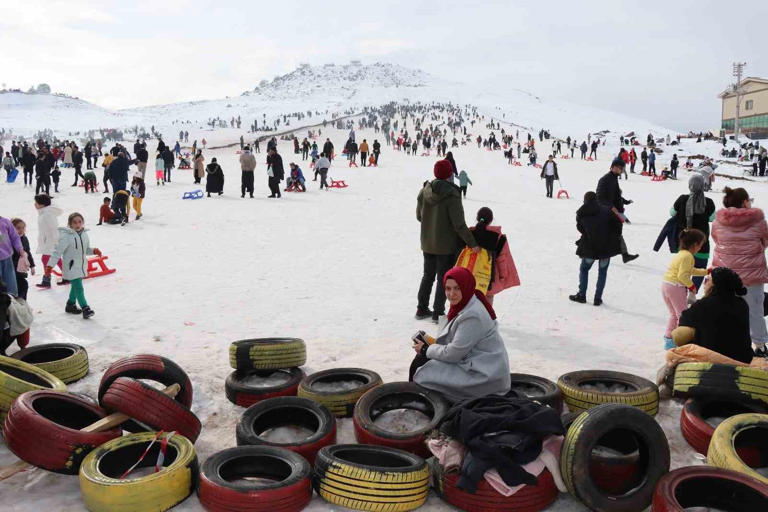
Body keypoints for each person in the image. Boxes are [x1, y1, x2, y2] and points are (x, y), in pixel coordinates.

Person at [409, 267, 511, 401]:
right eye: (448, 288)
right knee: (424, 362)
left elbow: (453, 354)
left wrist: (426, 349)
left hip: (484, 376)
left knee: (423, 373)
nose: (452, 294)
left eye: (457, 288)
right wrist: (429, 347)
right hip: (479, 364)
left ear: (466, 286)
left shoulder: (472, 316)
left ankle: (425, 404)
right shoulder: (467, 303)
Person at [416, 160, 478, 323]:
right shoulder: (452, 194)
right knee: (443, 277)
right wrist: (473, 243)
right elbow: (458, 224)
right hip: (446, 245)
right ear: (450, 174)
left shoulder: (425, 191)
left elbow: (419, 216)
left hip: (427, 242)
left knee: (427, 275)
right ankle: (438, 312)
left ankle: (421, 309)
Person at [711, 187, 768, 357]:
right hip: (751, 276)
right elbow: (764, 241)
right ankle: (760, 346)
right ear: (744, 202)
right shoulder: (758, 221)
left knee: (726, 309)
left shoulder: (718, 221)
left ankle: (727, 345)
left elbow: (716, 239)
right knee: (755, 311)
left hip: (724, 275)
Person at [674, 267, 754, 363]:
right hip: (742, 358)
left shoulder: (704, 305)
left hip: (711, 359)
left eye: (707, 280)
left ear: (716, 285)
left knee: (681, 334)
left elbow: (683, 321)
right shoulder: (742, 304)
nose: (704, 283)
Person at [569, 191, 622, 306]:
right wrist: (614, 237)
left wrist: (588, 234)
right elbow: (619, 222)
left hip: (590, 247)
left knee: (584, 269)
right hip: (606, 248)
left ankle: (581, 295)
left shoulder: (582, 213)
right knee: (602, 272)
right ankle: (597, 299)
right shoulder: (607, 210)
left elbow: (580, 228)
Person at [660, 229, 708, 349]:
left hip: (667, 284)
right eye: (701, 244)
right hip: (676, 286)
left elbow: (689, 270)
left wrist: (706, 271)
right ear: (695, 244)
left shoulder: (681, 253)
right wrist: (692, 286)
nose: (701, 248)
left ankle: (669, 340)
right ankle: (680, 340)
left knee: (674, 314)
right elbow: (683, 276)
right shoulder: (688, 256)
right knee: (683, 315)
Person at [47, 213, 100, 319]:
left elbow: (85, 250)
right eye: (74, 222)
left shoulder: (84, 234)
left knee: (75, 287)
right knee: (79, 288)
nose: (77, 224)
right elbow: (57, 252)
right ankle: (85, 308)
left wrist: (94, 250)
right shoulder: (66, 236)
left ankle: (70, 304)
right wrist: (49, 266)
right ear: (70, 224)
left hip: (81, 265)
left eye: (79, 222)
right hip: (71, 267)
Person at [671, 174, 716, 290]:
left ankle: (682, 291)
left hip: (684, 243)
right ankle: (692, 291)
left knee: (683, 270)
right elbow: (712, 218)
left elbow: (672, 213)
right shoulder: (709, 202)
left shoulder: (682, 199)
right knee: (700, 269)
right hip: (701, 244)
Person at [470, 207, 519, 304]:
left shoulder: (469, 234)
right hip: (489, 277)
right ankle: (486, 318)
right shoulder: (498, 237)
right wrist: (503, 275)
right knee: (488, 304)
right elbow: (502, 259)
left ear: (477, 218)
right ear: (491, 219)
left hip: (472, 275)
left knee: (472, 301)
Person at [596, 158, 638, 263]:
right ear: (612, 167)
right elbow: (599, 197)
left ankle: (625, 255)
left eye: (621, 168)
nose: (620, 170)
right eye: (619, 168)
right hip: (608, 213)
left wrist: (625, 202)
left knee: (616, 234)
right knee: (608, 234)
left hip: (616, 213)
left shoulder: (614, 179)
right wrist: (611, 207)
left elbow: (616, 196)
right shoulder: (605, 179)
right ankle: (589, 250)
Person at [34, 194, 62, 288]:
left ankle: (46, 280)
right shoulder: (43, 212)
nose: (35, 204)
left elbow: (53, 227)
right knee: (55, 258)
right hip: (48, 240)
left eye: (36, 203)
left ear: (42, 204)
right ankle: (67, 275)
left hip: (51, 241)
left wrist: (54, 240)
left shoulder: (47, 214)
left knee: (46, 259)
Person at [0, 216, 25, 297]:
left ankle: (13, 304)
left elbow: (15, 237)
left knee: (11, 287)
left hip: (7, 260)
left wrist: (20, 248)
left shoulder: (5, 222)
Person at [11, 218, 35, 300]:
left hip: (21, 269)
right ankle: (18, 303)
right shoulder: (8, 239)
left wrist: (32, 266)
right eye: (18, 228)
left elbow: (28, 253)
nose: (21, 230)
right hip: (11, 269)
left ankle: (22, 303)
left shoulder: (25, 239)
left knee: (23, 285)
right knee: (21, 286)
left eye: (23, 228)